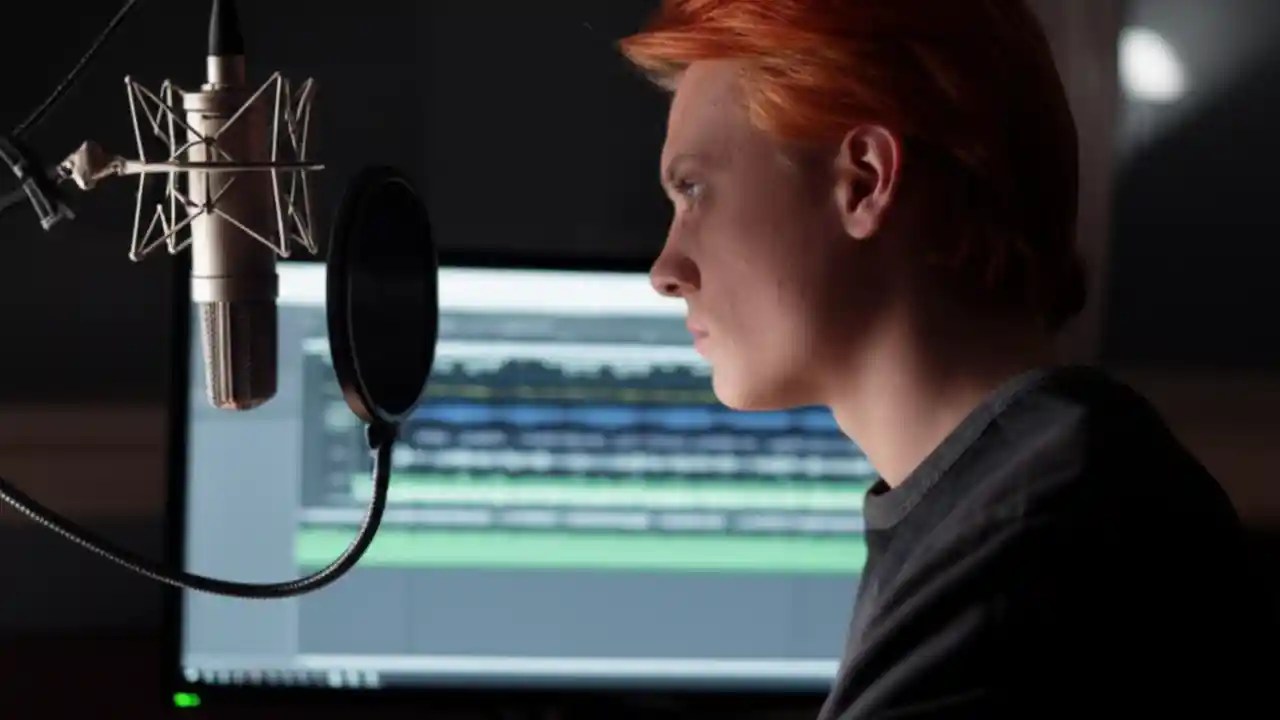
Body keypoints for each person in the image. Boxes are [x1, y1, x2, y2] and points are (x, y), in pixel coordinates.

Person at [617, 1, 1277, 717]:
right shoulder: (1017, 491)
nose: (666, 268)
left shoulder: (1041, 534)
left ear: (864, 182)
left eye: (693, 190)